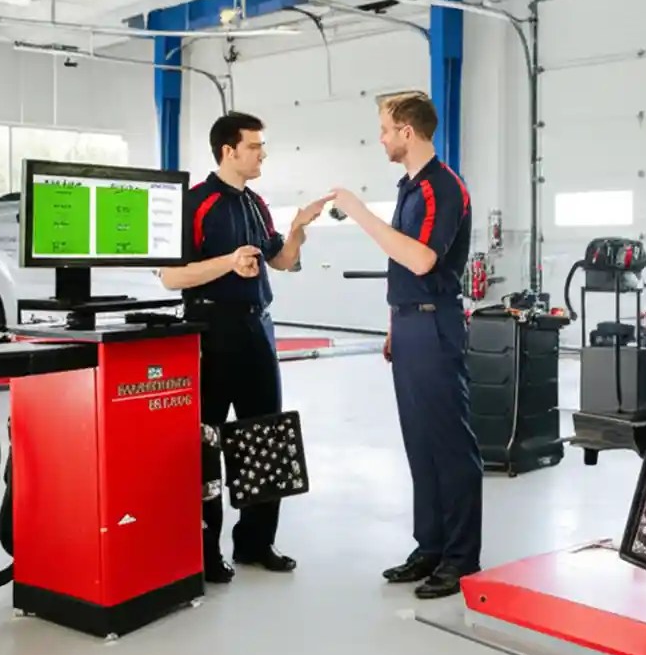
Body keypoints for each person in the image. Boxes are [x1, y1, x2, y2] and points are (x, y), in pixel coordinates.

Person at [160, 111, 330, 584]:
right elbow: (172, 276)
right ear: (228, 151)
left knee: (264, 437)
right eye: (255, 146)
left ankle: (256, 542)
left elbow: (282, 259)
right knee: (206, 440)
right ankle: (205, 549)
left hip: (258, 331)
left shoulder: (256, 203)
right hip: (212, 331)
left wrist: (297, 229)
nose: (262, 154)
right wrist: (228, 263)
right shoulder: (195, 204)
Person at [324, 92, 482, 599]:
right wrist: (397, 321)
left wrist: (359, 213)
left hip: (437, 327)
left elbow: (420, 260)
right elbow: (405, 266)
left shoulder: (442, 188)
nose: (382, 138)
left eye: (386, 129)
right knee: (420, 443)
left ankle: (460, 559)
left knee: (449, 445)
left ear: (407, 132)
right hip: (412, 324)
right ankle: (430, 547)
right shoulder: (411, 187)